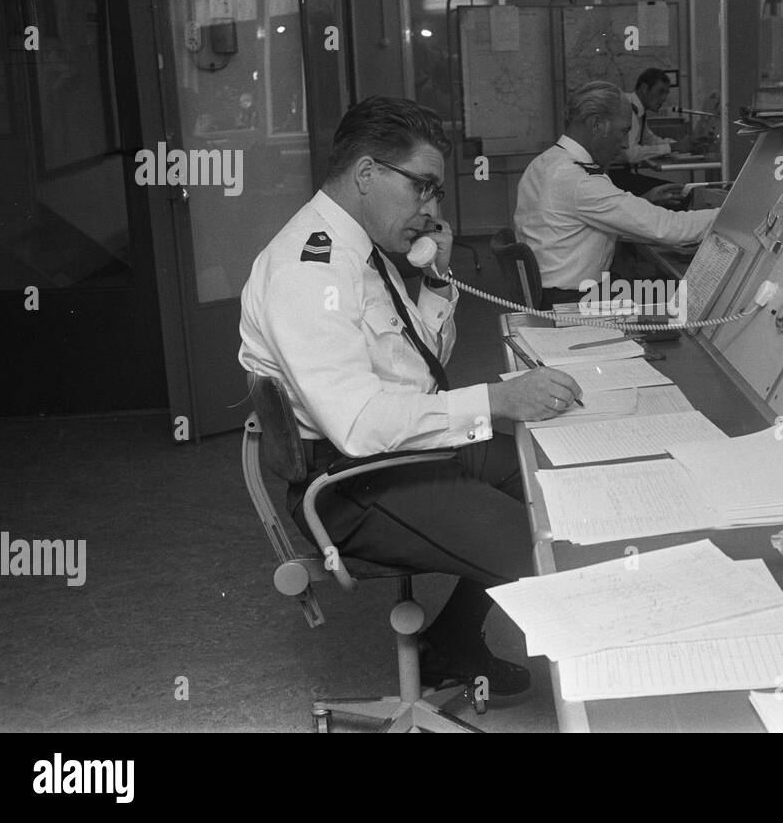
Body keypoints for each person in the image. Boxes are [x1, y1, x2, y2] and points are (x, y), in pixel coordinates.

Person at [239, 96, 582, 695]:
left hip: (400, 447)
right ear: (367, 174)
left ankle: (447, 645)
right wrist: (497, 402)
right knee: (547, 552)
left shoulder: (363, 248)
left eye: (436, 192)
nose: (430, 209)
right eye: (422, 187)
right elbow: (360, 424)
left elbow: (416, 371)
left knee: (560, 489)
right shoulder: (308, 269)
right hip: (353, 480)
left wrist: (434, 281)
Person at [514, 80, 719, 308]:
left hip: (553, 292)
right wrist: (734, 212)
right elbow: (670, 228)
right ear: (596, 125)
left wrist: (641, 204)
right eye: (623, 131)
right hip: (574, 301)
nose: (624, 144)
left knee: (659, 286)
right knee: (690, 297)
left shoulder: (545, 162)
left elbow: (569, 223)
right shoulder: (579, 179)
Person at [607, 68, 685, 204]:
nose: (664, 98)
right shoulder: (628, 109)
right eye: (660, 92)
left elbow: (650, 139)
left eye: (666, 93)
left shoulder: (639, 112)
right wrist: (672, 147)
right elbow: (629, 153)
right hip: (614, 176)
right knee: (678, 196)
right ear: (644, 88)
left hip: (623, 174)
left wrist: (680, 146)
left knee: (678, 193)